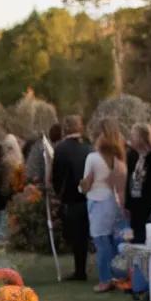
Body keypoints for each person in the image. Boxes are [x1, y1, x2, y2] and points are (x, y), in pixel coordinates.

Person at [81, 120, 127, 293]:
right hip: (113, 202)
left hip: (97, 201)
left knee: (101, 242)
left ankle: (105, 279)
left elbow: (86, 185)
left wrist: (81, 185)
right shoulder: (119, 158)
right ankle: (118, 277)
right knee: (114, 243)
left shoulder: (93, 158)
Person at [52, 115, 91, 280]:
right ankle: (81, 269)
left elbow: (57, 175)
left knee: (76, 236)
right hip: (89, 196)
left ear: (65, 128)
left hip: (71, 197)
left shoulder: (61, 148)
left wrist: (57, 193)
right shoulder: (89, 147)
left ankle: (80, 270)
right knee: (84, 235)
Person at [125, 124, 151, 243]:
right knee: (135, 240)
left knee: (148, 240)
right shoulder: (131, 155)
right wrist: (127, 204)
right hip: (134, 206)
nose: (131, 137)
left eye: (134, 135)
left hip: (149, 207)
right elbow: (128, 180)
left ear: (142, 137)